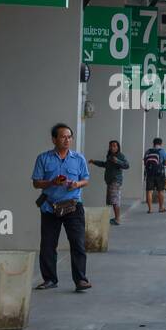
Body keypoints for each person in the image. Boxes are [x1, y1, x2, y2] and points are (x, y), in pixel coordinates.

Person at [32, 123, 91, 292]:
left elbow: (85, 180)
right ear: (54, 139)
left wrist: (76, 184)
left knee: (78, 244)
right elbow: (36, 183)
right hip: (50, 208)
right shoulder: (43, 158)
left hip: (73, 206)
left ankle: (81, 280)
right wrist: (51, 182)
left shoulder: (78, 158)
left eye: (69, 137)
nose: (67, 140)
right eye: (63, 136)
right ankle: (50, 279)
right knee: (48, 245)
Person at [89, 139, 129, 226]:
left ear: (118, 147)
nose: (112, 147)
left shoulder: (120, 155)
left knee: (114, 200)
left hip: (116, 181)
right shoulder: (110, 156)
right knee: (110, 200)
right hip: (110, 181)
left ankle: (117, 219)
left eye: (115, 146)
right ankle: (115, 218)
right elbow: (105, 165)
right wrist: (94, 162)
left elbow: (127, 165)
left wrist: (117, 161)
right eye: (111, 146)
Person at [143, 137, 166, 213]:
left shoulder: (148, 151)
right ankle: (161, 208)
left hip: (150, 173)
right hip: (159, 174)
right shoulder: (162, 151)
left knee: (149, 191)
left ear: (153, 143)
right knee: (160, 191)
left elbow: (145, 163)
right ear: (161, 143)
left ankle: (150, 209)